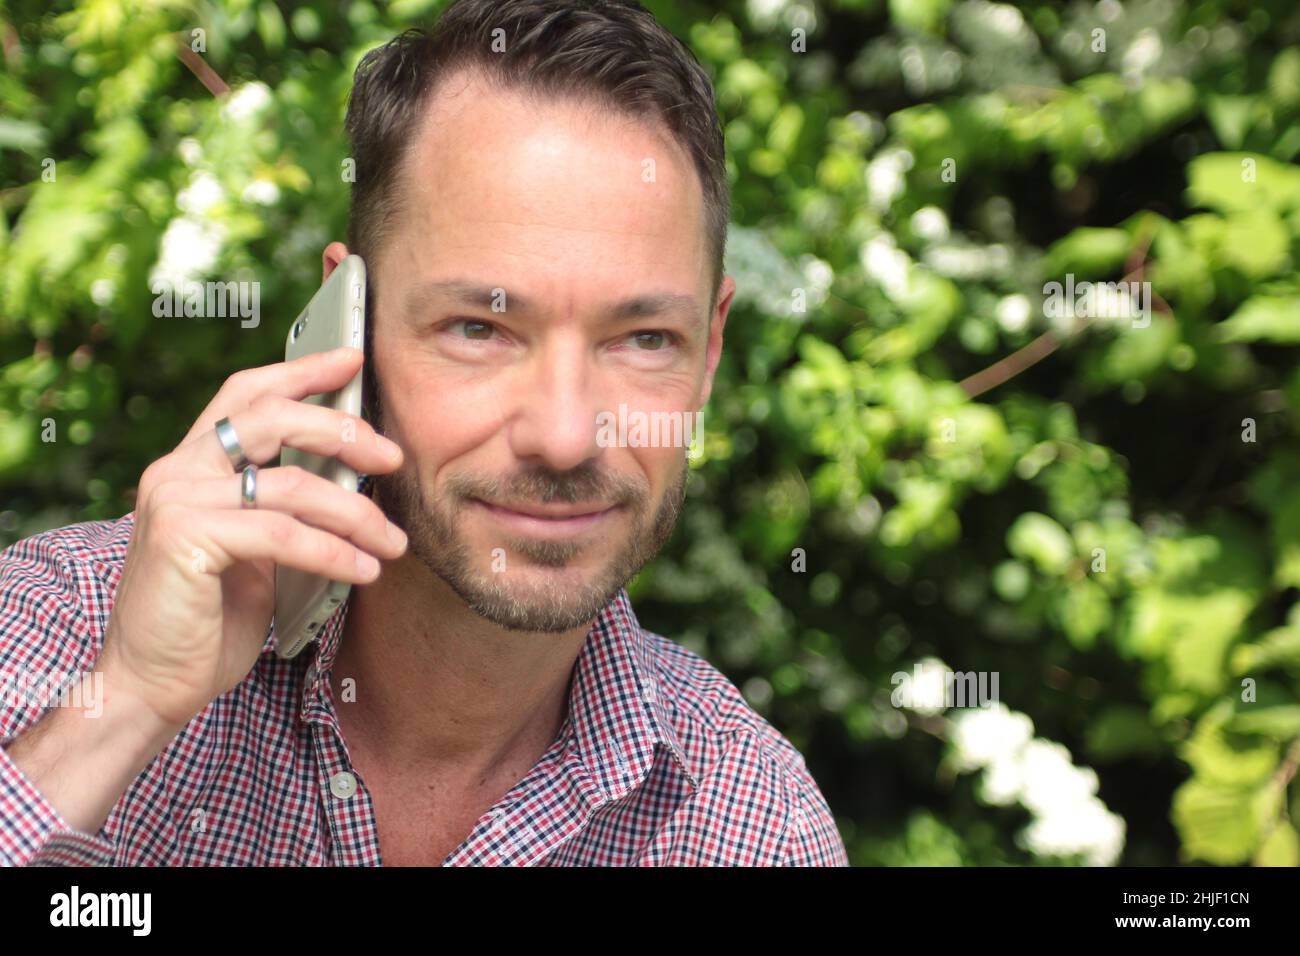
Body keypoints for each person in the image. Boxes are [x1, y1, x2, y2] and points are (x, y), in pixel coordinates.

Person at [0, 0, 847, 866]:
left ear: (709, 350)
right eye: (479, 329)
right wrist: (129, 703)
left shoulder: (752, 823)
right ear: (347, 322)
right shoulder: (52, 636)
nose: (563, 437)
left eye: (642, 339)